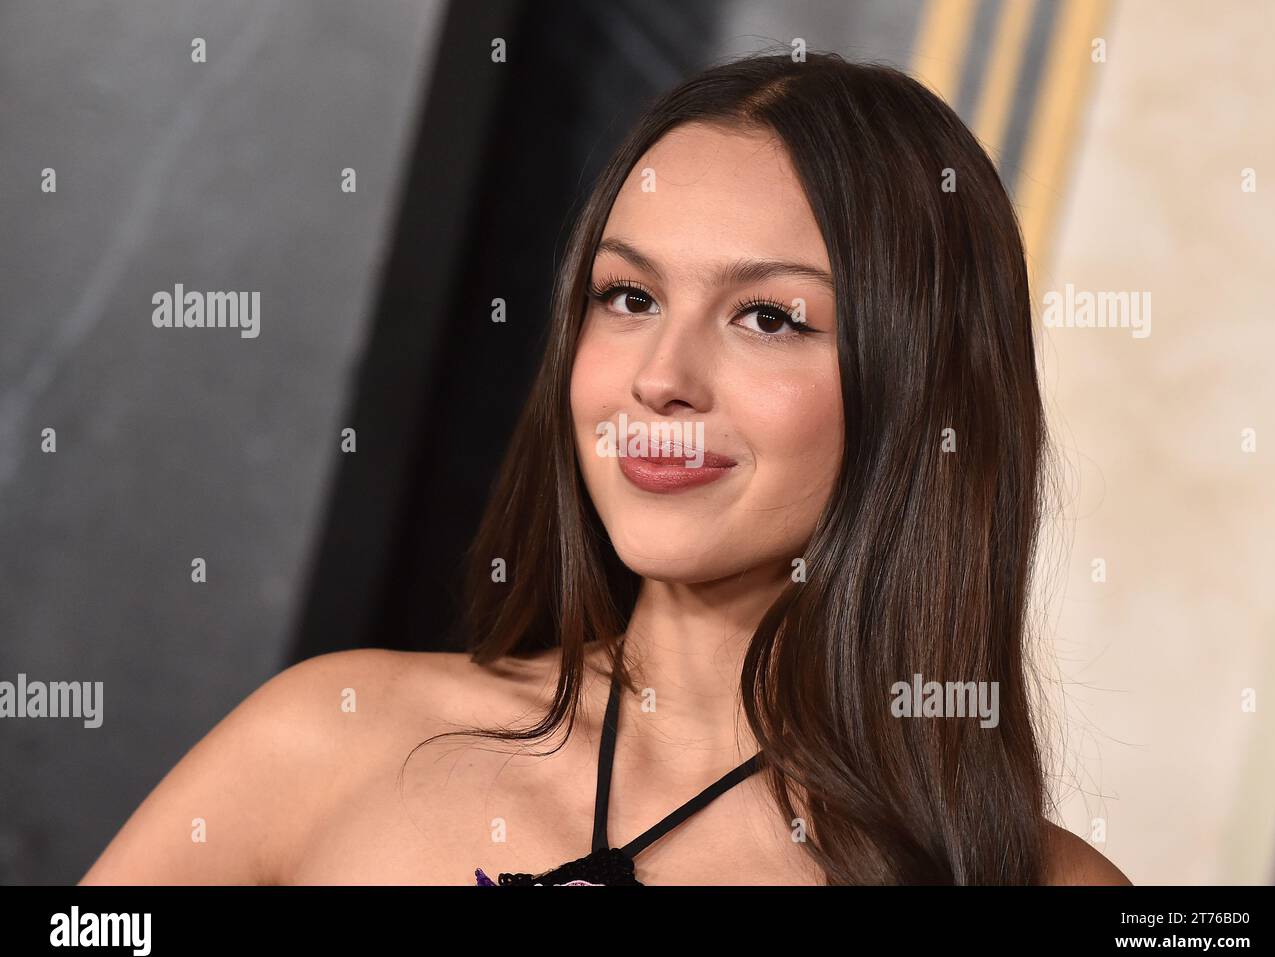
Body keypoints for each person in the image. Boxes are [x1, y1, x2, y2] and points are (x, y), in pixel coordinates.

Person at [82, 51, 1131, 886]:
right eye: (627, 297)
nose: (659, 378)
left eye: (768, 316)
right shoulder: (328, 740)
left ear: (920, 391)